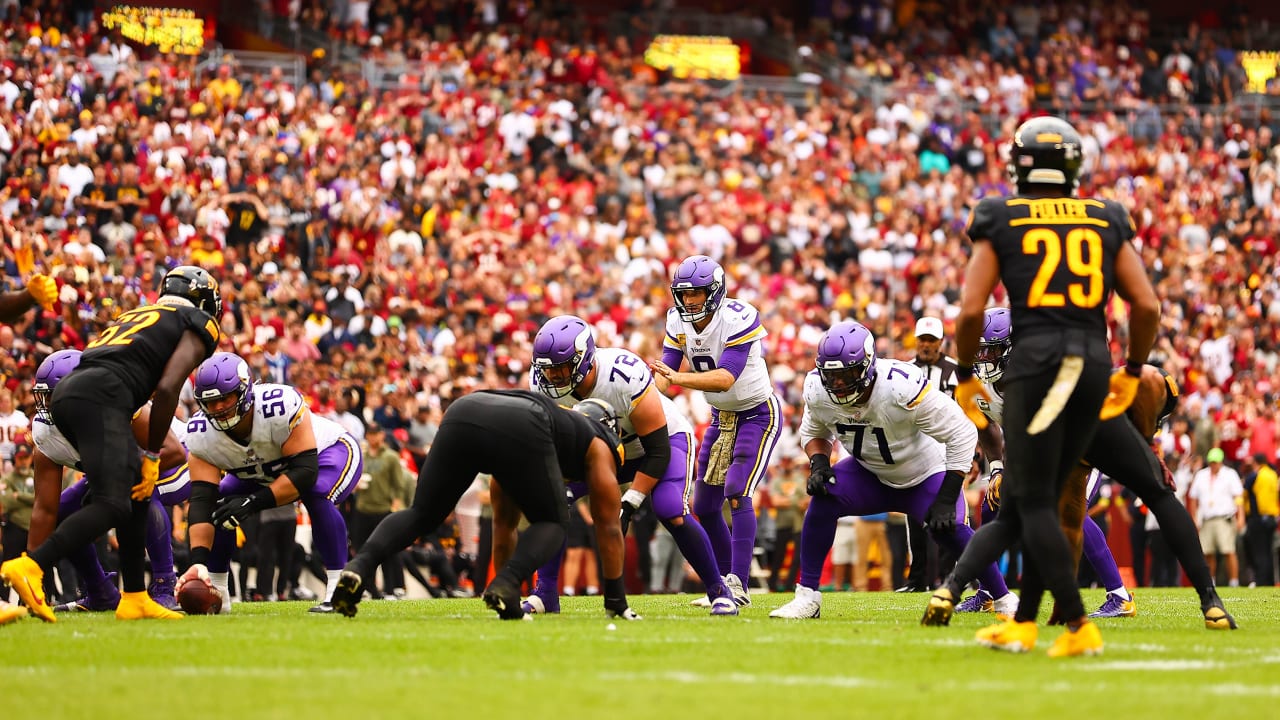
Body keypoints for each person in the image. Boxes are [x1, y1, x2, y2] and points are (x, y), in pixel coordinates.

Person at [924, 116, 1161, 657]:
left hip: (1038, 368)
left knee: (1031, 499)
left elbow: (970, 310)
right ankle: (1027, 621)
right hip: (1095, 367)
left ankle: (1078, 625)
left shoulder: (1000, 214)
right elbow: (1145, 305)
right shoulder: (1105, 215)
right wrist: (1133, 368)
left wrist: (963, 372)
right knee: (1041, 500)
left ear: (1019, 162)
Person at [935, 307, 1235, 628]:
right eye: (979, 350)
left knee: (1058, 515)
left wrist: (1147, 444)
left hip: (1086, 432)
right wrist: (997, 467)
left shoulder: (1040, 367)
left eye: (989, 350)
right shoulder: (992, 383)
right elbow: (993, 428)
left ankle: (1118, 596)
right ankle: (992, 591)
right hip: (1055, 439)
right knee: (1009, 509)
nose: (982, 358)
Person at [0, 265, 222, 623]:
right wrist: (151, 452)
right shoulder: (197, 321)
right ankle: (31, 565)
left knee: (133, 491)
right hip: (105, 396)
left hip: (75, 392)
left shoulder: (138, 313)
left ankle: (134, 596)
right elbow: (167, 389)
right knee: (113, 503)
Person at [769, 321, 1016, 619]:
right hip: (870, 472)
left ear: (868, 366)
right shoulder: (816, 388)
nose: (838, 384)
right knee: (823, 500)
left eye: (846, 374)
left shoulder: (900, 385)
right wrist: (819, 462)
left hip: (924, 472)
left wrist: (948, 495)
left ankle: (1002, 598)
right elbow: (814, 430)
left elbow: (961, 432)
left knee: (950, 529)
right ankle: (807, 596)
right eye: (831, 376)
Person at [331, 389, 638, 621]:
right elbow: (609, 527)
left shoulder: (554, 430)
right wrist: (615, 600)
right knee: (554, 523)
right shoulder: (599, 440)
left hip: (464, 410)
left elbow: (503, 524)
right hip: (521, 423)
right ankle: (504, 585)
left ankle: (359, 566)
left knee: (422, 514)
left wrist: (506, 599)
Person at [521, 315, 735, 616]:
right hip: (604, 451)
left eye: (561, 368)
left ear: (584, 360)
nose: (553, 376)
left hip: (661, 441)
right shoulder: (540, 382)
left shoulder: (623, 374)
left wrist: (631, 501)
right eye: (548, 369)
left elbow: (658, 450)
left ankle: (719, 591)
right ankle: (544, 593)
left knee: (670, 508)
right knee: (553, 500)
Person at [176, 351, 363, 613]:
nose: (218, 407)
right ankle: (217, 593)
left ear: (244, 390)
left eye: (224, 398)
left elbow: (304, 472)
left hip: (326, 453)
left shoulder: (278, 406)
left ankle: (337, 588)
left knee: (316, 493)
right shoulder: (200, 434)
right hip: (264, 469)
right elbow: (200, 501)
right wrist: (198, 562)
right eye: (211, 402)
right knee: (218, 504)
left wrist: (252, 502)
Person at [651, 255, 784, 607]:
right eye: (685, 293)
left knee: (738, 490)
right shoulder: (676, 321)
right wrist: (643, 392)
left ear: (715, 291)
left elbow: (725, 378)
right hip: (721, 417)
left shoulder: (738, 318)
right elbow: (664, 374)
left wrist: (678, 379)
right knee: (704, 504)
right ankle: (725, 584)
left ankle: (740, 583)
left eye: (697, 293)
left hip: (757, 413)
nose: (690, 300)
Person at [23, 349, 192, 613]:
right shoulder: (45, 430)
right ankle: (99, 590)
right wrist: (32, 577)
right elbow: (44, 509)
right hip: (116, 470)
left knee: (137, 489)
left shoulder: (117, 403)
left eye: (57, 395)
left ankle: (164, 585)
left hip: (173, 465)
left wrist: (114, 480)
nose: (52, 405)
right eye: (46, 397)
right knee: (63, 510)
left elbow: (172, 452)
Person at [897, 316, 961, 592]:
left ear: (941, 342)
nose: (926, 345)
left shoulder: (957, 371)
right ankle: (919, 578)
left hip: (950, 448)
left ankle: (950, 577)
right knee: (915, 514)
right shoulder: (905, 370)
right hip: (917, 449)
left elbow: (969, 411)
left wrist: (975, 452)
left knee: (950, 514)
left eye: (931, 340)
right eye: (922, 339)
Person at [1188, 448, 1245, 588]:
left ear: (1221, 462)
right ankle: (1210, 582)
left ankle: (1233, 582)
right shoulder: (1201, 475)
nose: (1214, 465)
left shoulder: (1230, 474)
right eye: (1212, 462)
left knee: (1228, 551)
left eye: (1216, 462)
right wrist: (1194, 518)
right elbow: (1193, 498)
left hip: (1224, 517)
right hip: (1207, 518)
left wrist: (1241, 516)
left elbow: (1238, 497)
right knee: (1208, 552)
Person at [1243, 453, 1278, 587]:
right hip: (1272, 517)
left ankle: (1261, 581)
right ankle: (1270, 581)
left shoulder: (1255, 475)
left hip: (1257, 518)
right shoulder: (1273, 474)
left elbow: (1244, 492)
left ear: (1256, 462)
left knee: (1259, 552)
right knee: (1269, 551)